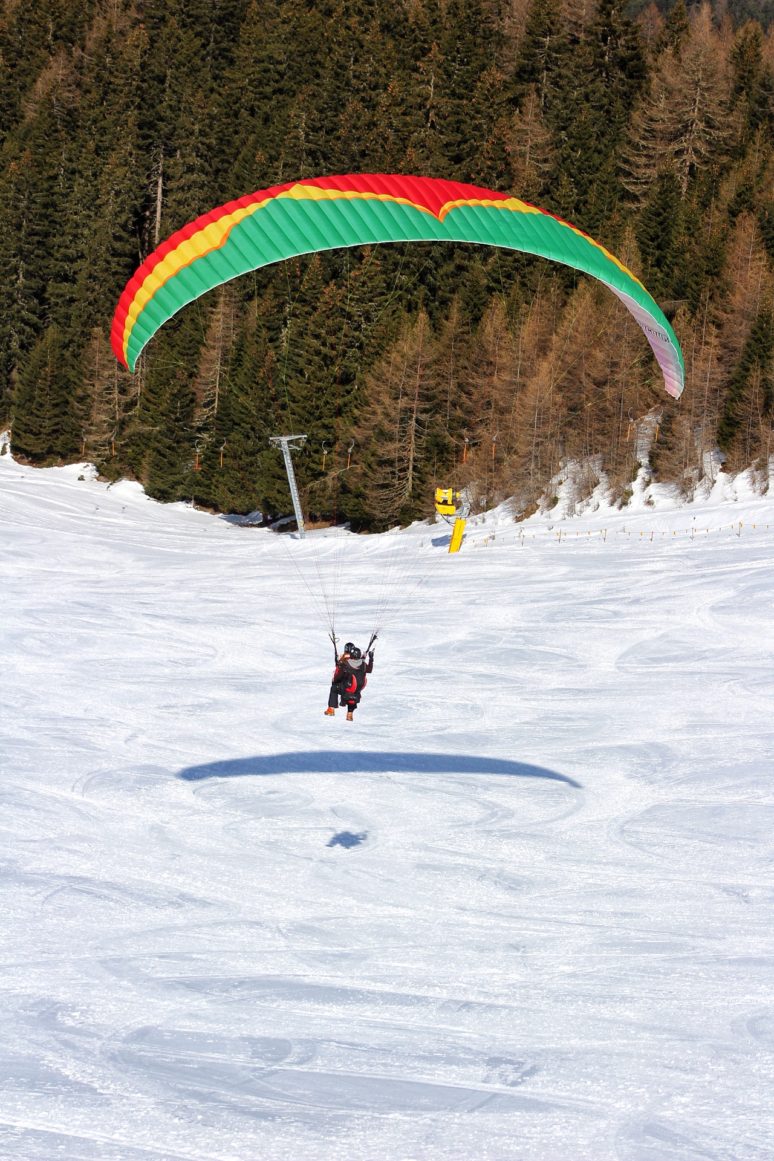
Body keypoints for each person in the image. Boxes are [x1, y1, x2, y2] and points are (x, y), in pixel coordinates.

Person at [324, 641, 374, 721]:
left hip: (346, 689)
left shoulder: (346, 664)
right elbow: (369, 670)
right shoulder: (363, 665)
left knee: (334, 688)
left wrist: (338, 669)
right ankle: (349, 714)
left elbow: (337, 677)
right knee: (352, 687)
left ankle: (331, 709)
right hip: (356, 691)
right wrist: (371, 659)